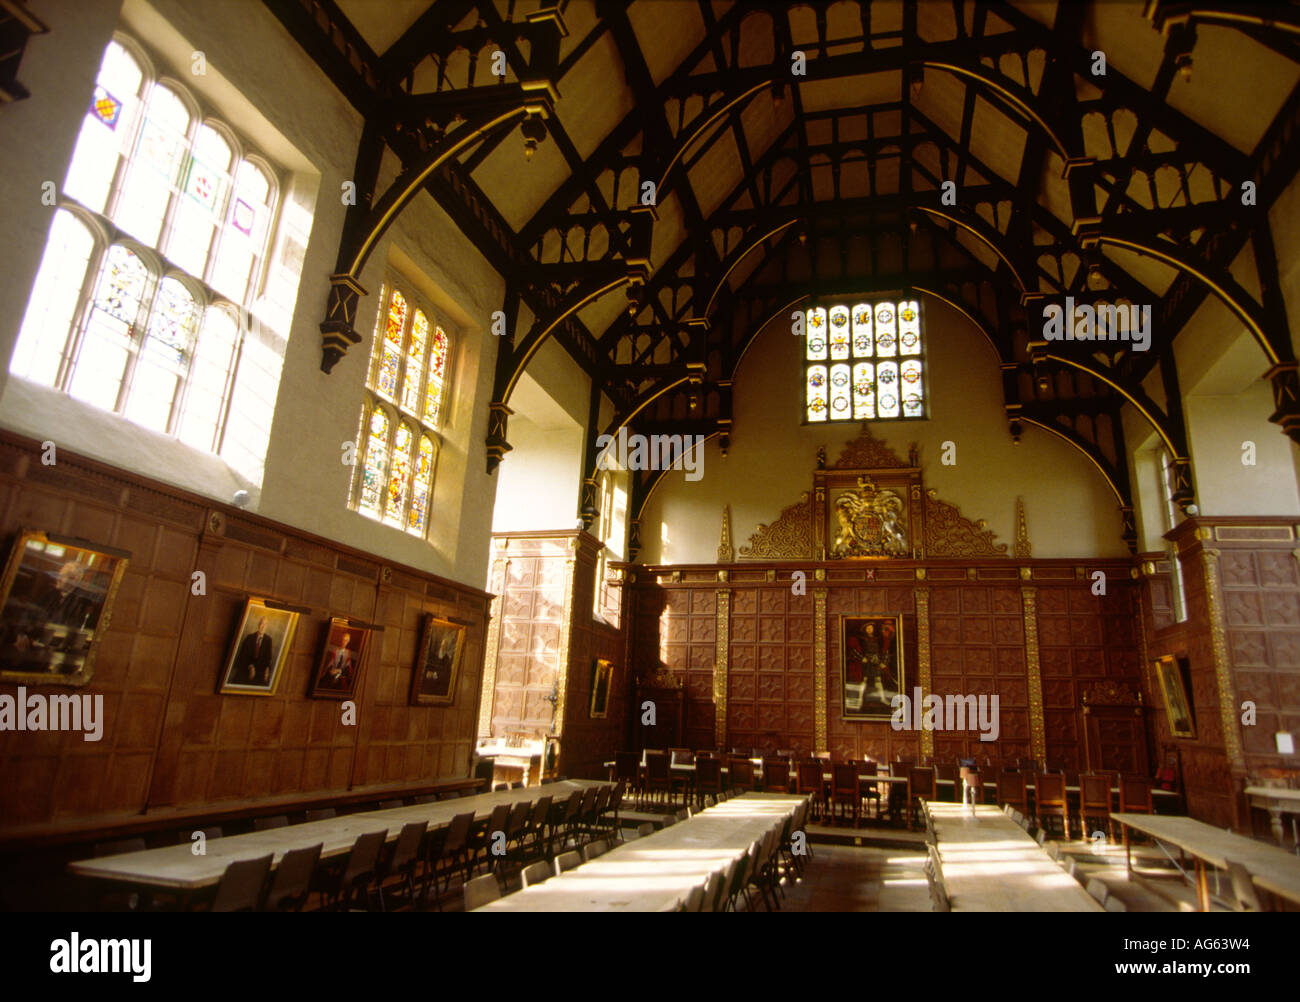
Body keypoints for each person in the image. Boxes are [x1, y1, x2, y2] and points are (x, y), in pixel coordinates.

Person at [234, 616, 275, 685]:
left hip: (260, 672)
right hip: (246, 669)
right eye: (262, 624)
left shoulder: (268, 640)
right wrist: (250, 666)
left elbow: (268, 659)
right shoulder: (249, 638)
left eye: (265, 625)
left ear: (267, 627)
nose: (263, 627)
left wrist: (267, 670)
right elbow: (242, 656)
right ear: (258, 624)